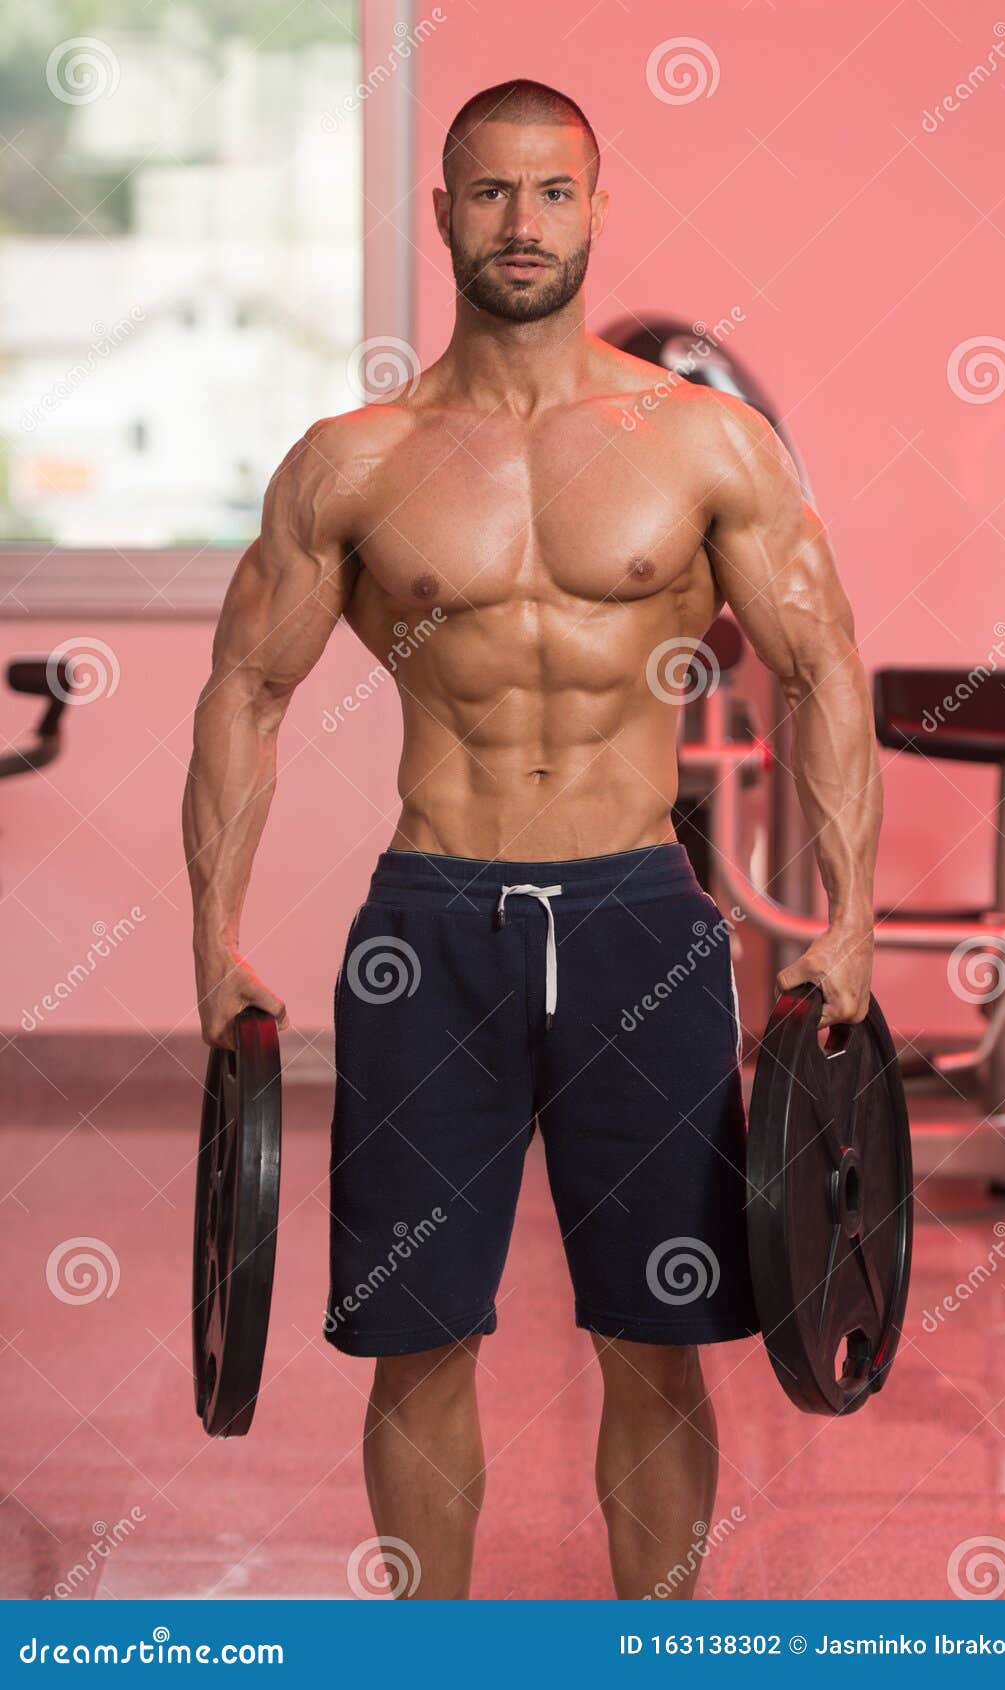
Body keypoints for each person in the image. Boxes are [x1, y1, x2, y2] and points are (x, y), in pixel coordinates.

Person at [182, 79, 881, 1600]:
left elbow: (827, 665)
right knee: (416, 1337)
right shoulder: (356, 460)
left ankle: (655, 1650)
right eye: (492, 192)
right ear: (443, 213)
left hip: (641, 918)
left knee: (659, 1336)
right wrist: (212, 937)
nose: (523, 222)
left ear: (596, 210)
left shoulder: (702, 443)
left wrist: (849, 921)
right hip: (431, 930)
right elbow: (244, 690)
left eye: (553, 191)